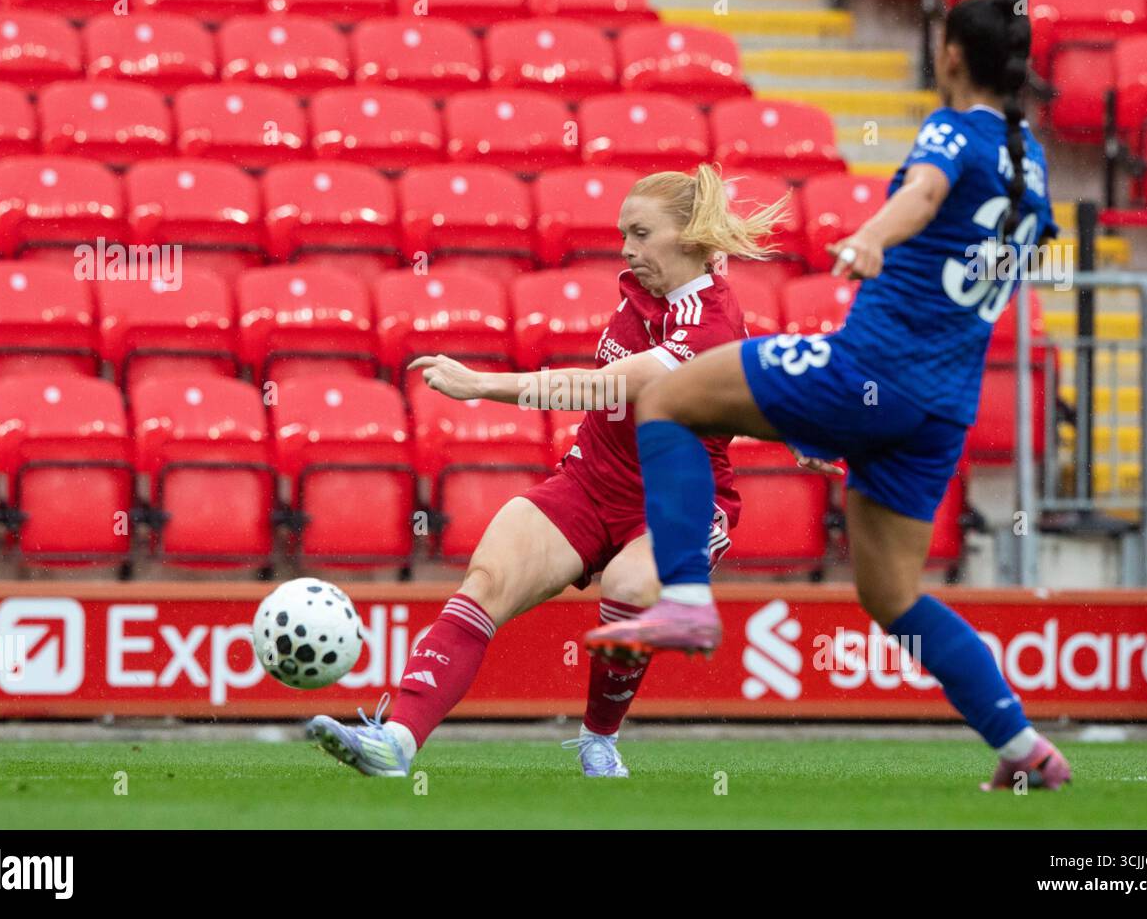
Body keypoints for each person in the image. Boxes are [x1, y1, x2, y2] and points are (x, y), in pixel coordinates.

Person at [585, 0, 1073, 791]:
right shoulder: (1033, 162)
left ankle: (684, 597)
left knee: (667, 400)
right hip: (941, 409)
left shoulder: (955, 130)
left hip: (871, 370)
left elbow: (920, 194)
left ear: (950, 54)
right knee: (894, 596)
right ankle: (1023, 748)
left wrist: (871, 238)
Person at [306, 163, 790, 777]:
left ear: (689, 238)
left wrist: (482, 384)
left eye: (641, 233)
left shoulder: (709, 321)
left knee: (628, 588)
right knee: (486, 580)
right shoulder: (654, 286)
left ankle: (599, 739)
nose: (626, 248)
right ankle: (396, 742)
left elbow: (604, 387)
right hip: (590, 482)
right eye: (624, 233)